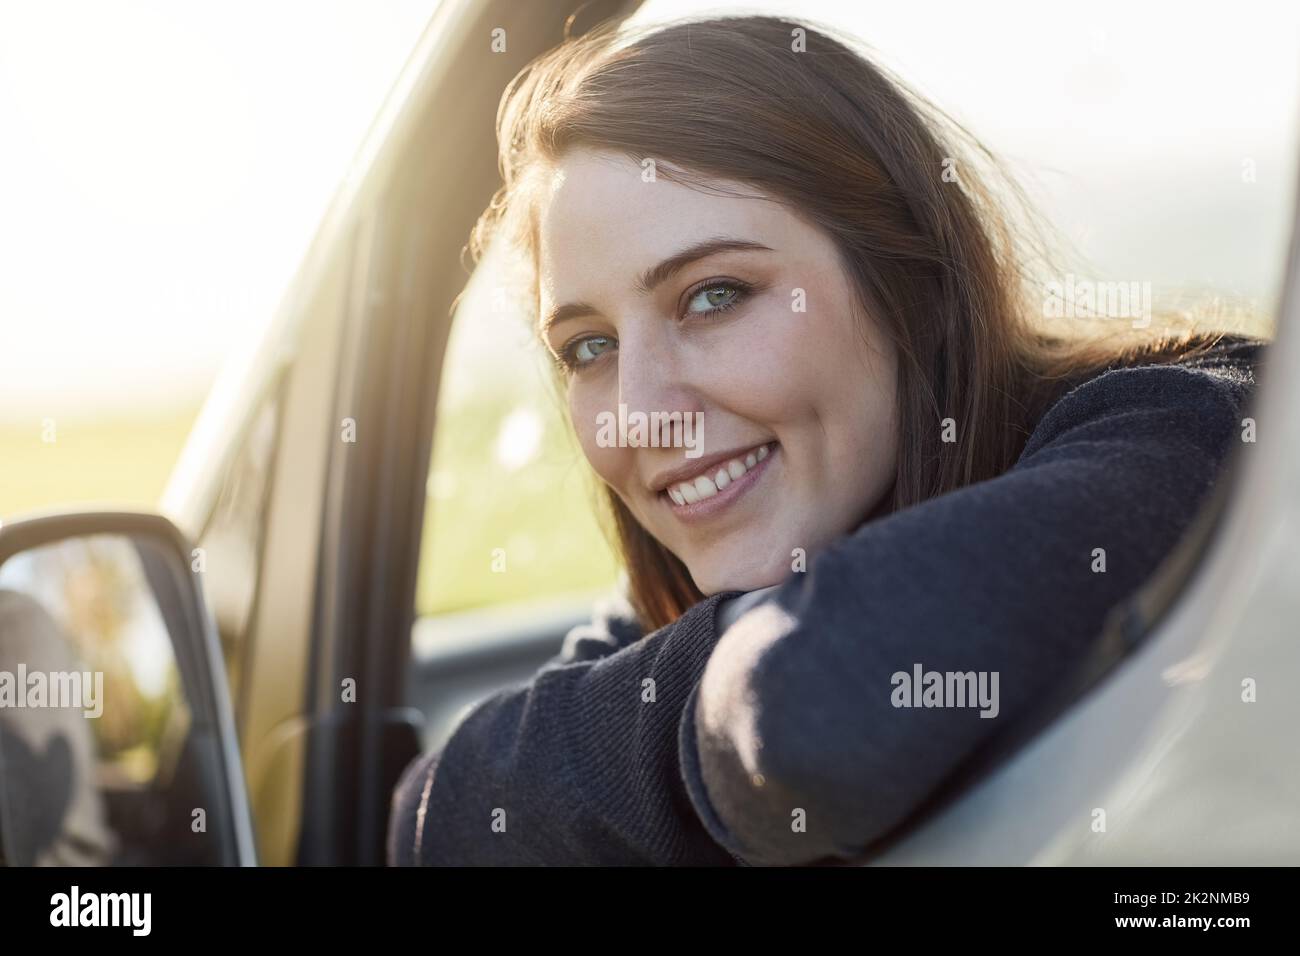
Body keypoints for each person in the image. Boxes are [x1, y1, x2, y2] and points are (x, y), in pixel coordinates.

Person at [387, 15, 1267, 866]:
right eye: (589, 347)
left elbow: (816, 704)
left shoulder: (1195, 424)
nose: (639, 411)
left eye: (715, 295)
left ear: (909, 285)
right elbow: (440, 814)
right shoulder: (700, 580)